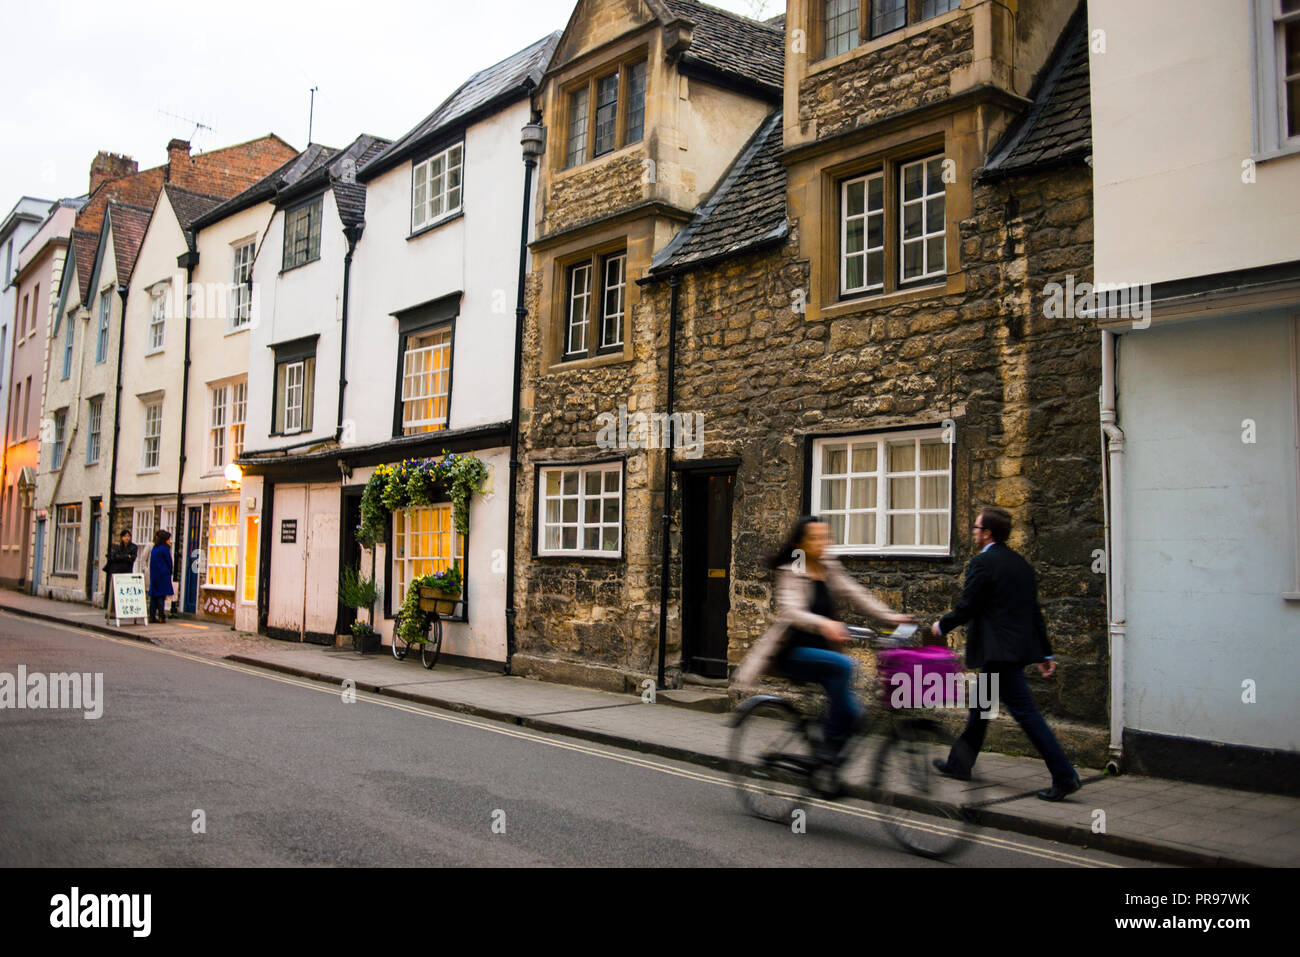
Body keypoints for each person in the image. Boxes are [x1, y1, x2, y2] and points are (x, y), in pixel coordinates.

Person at [929, 506, 1081, 802]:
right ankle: (959, 764)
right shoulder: (1021, 565)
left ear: (987, 533)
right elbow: (1033, 613)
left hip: (999, 653)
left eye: (976, 528)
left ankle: (1065, 776)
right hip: (1011, 652)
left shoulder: (983, 564)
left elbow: (968, 606)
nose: (973, 532)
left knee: (1026, 714)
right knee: (981, 710)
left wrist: (942, 625)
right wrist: (1044, 653)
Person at [735, 515, 913, 762]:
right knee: (845, 669)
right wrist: (825, 624)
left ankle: (828, 762)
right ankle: (827, 747)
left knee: (852, 711)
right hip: (793, 651)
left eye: (825, 537)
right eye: (815, 538)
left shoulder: (827, 565)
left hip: (822, 652)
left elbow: (856, 593)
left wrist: (891, 616)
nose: (822, 543)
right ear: (801, 544)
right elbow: (792, 611)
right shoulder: (797, 565)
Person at [103, 529, 138, 621]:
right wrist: (127, 556)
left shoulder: (133, 547)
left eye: (128, 536)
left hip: (126, 572)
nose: (127, 538)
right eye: (125, 536)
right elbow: (114, 557)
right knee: (114, 593)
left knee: (123, 594)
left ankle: (121, 612)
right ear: (122, 537)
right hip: (116, 572)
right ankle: (111, 612)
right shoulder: (117, 546)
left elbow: (132, 559)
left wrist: (122, 557)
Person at [148, 529, 175, 624]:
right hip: (163, 575)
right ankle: (161, 616)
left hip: (154, 575)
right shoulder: (164, 549)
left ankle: (151, 616)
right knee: (160, 596)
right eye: (168, 539)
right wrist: (170, 571)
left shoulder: (154, 548)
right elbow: (169, 562)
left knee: (153, 596)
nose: (169, 541)